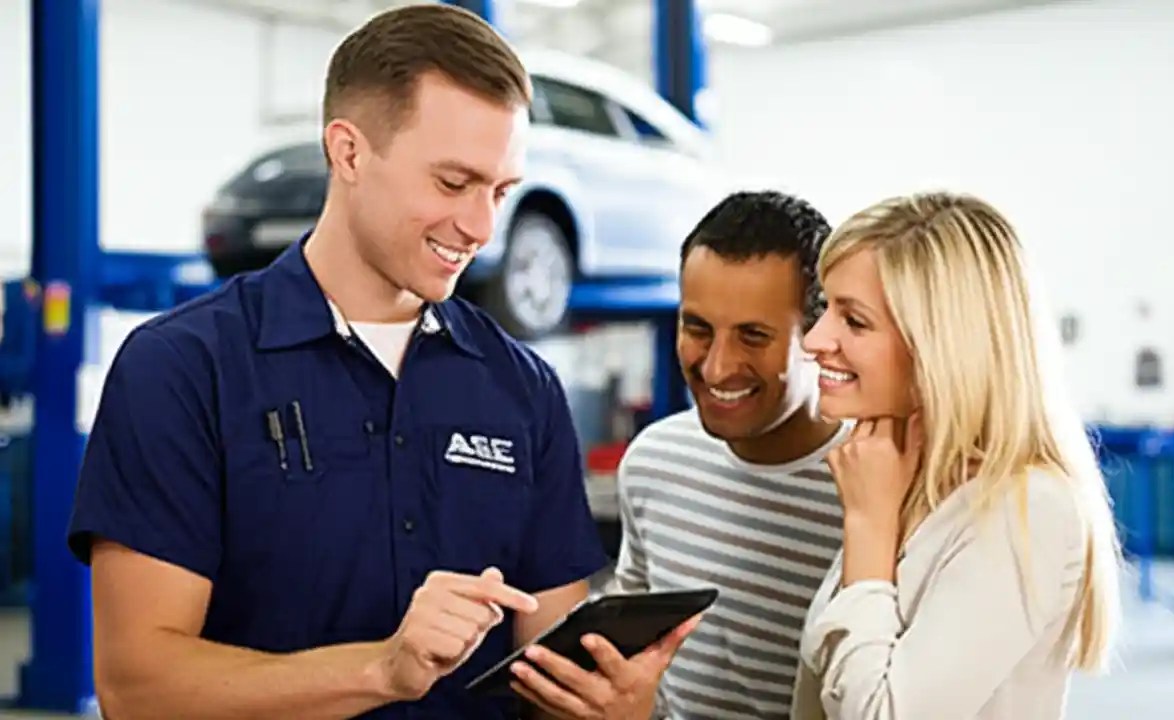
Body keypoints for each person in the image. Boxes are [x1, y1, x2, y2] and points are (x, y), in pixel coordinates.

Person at [66, 6, 616, 719]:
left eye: (500, 192)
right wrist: (379, 670)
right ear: (349, 153)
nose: (482, 228)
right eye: (453, 184)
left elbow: (549, 671)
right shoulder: (182, 369)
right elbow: (138, 687)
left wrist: (608, 701)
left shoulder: (523, 388)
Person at [514, 190, 855, 719]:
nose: (718, 367)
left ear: (820, 333)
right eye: (697, 328)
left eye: (753, 337)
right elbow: (633, 664)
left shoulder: (873, 492)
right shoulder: (654, 460)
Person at [790, 191, 1123, 719]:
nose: (814, 339)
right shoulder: (899, 475)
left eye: (853, 321)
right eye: (825, 309)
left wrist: (869, 526)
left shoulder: (1026, 508)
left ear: (941, 345)